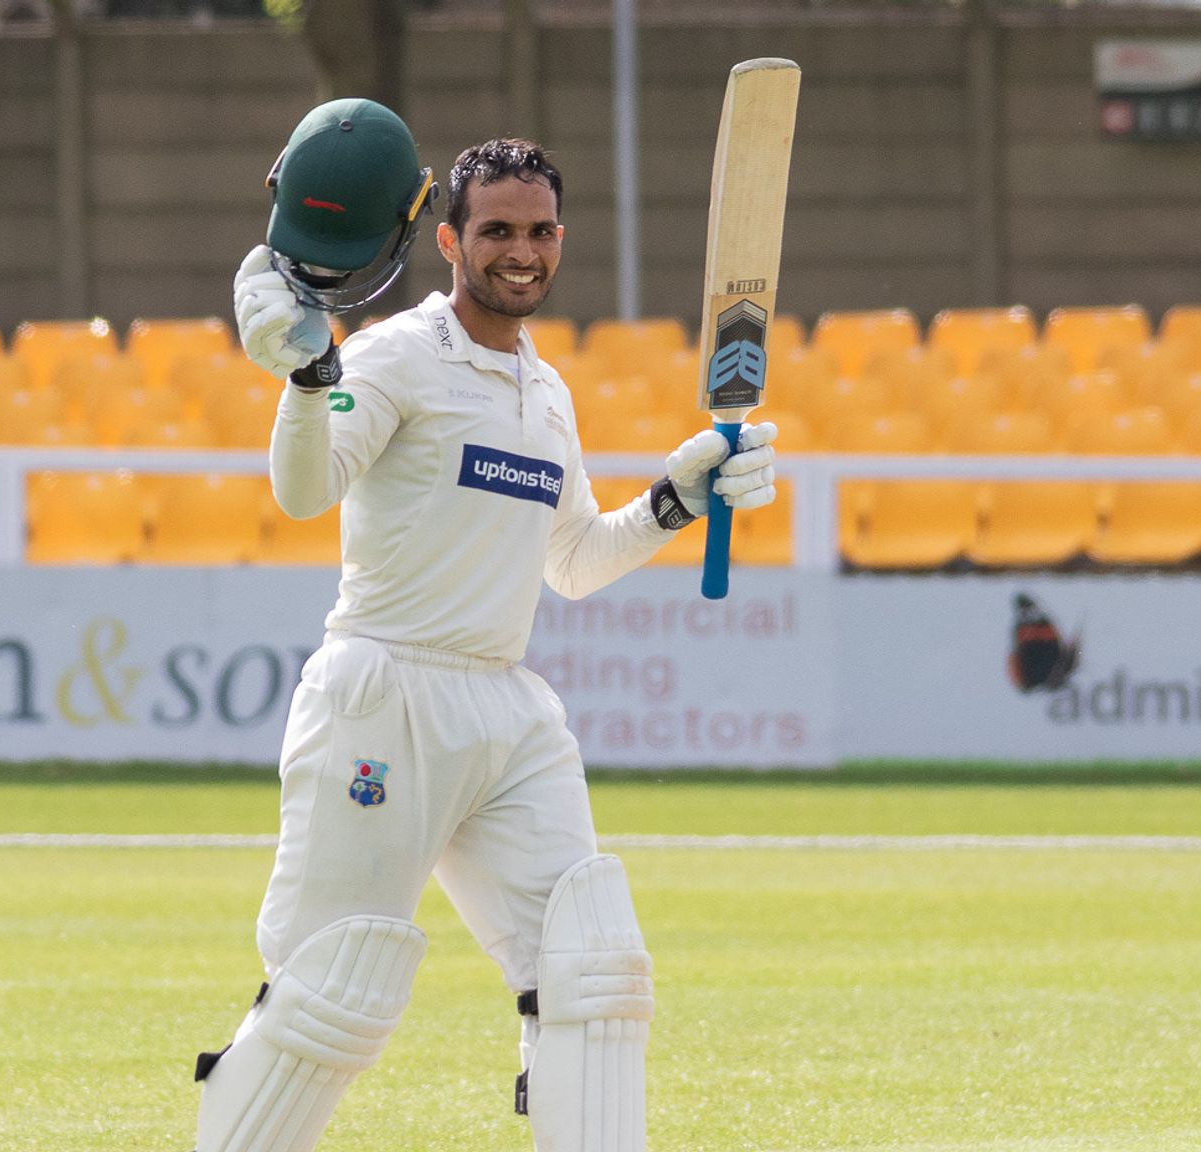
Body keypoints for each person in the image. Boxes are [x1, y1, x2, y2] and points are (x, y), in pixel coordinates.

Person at [192, 128, 778, 1152]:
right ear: (450, 244)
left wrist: (673, 501)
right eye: (497, 230)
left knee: (589, 974)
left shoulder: (543, 392)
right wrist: (302, 379)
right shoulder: (394, 359)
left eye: (541, 230)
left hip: (505, 709)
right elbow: (302, 491)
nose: (523, 250)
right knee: (327, 993)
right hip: (383, 693)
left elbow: (573, 562)